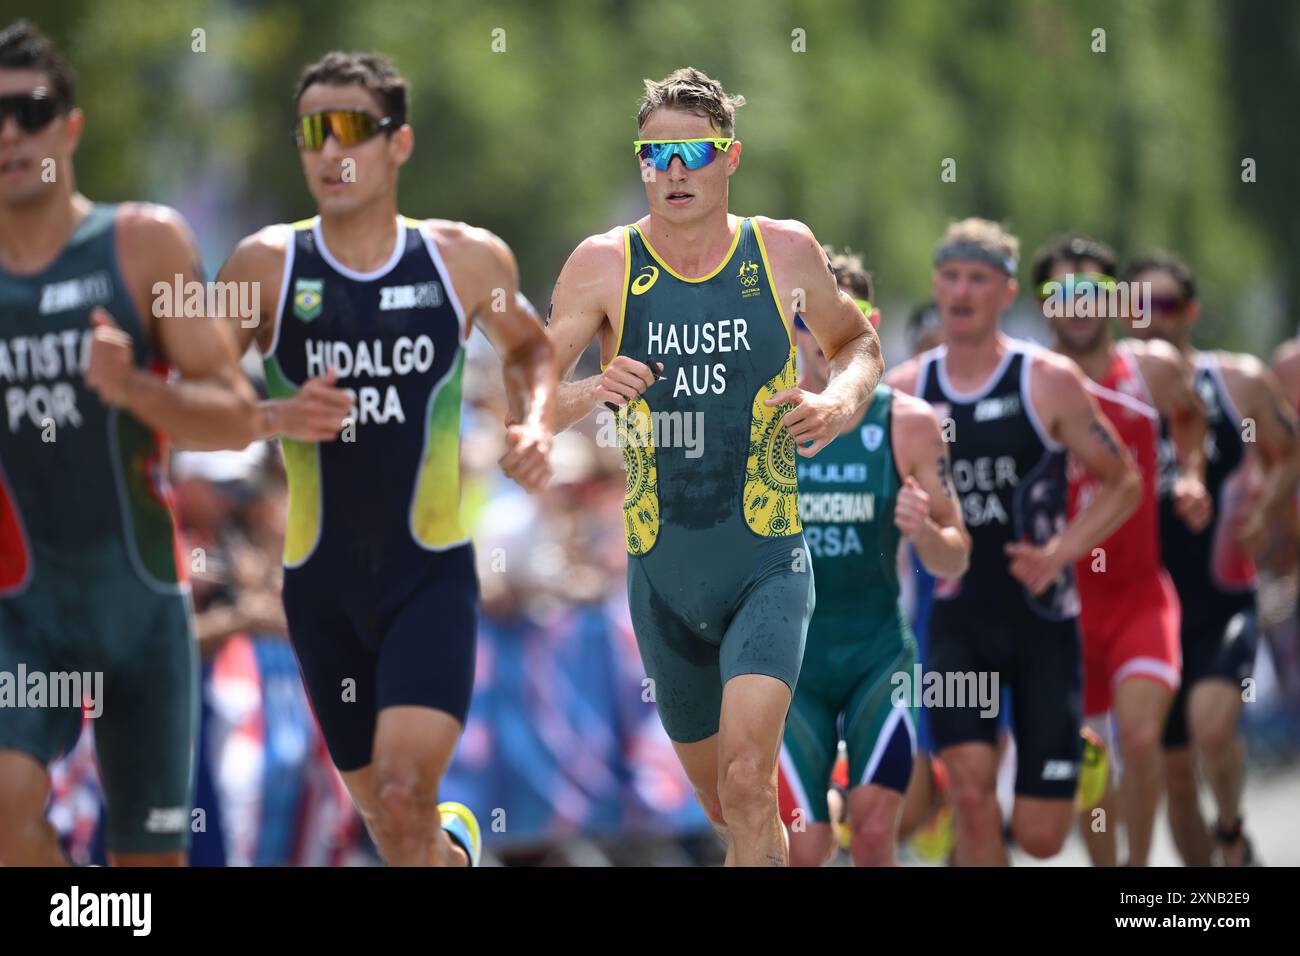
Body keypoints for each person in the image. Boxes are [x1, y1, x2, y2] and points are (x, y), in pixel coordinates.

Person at [217, 51, 556, 866]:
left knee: (407, 796)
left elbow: (532, 352)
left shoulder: (465, 258)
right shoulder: (263, 266)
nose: (330, 150)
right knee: (393, 829)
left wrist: (536, 424)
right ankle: (455, 853)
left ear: (398, 145)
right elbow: (193, 406)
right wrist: (272, 414)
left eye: (352, 129)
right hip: (319, 588)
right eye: (311, 131)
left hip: (427, 578)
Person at [544, 67, 883, 865]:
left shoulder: (784, 250)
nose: (673, 171)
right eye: (654, 155)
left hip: (766, 557)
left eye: (691, 152)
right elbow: (520, 398)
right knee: (722, 802)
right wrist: (593, 388)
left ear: (729, 158)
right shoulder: (603, 265)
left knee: (742, 778)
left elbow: (858, 344)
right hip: (661, 573)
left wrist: (838, 404)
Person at [0, 19, 270, 866]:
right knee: (6, 802)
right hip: (23, 616)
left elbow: (233, 412)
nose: (8, 132)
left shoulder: (145, 245)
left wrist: (133, 388)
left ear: (69, 128)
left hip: (140, 608)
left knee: (147, 867)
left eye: (31, 110)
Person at [885, 218, 1141, 865]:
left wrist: (1059, 552)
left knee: (1040, 838)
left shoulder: (1046, 379)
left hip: (1041, 621)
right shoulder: (908, 389)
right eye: (949, 277)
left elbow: (1123, 482)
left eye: (977, 278)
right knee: (971, 797)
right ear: (936, 286)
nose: (960, 291)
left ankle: (1078, 754)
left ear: (1004, 292)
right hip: (956, 619)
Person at [778, 249, 969, 866]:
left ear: (870, 324)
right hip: (789, 660)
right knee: (804, 849)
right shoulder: (764, 416)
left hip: (876, 655)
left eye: (845, 318)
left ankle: (914, 795)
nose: (822, 338)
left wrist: (927, 535)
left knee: (874, 830)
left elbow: (956, 557)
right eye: (807, 319)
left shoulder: (907, 423)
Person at [1034, 233, 1209, 866]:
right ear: (1043, 303)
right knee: (1091, 761)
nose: (1078, 305)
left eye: (1092, 291)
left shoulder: (1153, 369)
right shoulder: (1030, 379)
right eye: (1062, 292)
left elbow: (1191, 416)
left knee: (1139, 738)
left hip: (1139, 598)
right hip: (1064, 612)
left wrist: (1189, 474)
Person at [1125, 250, 1300, 866]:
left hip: (1220, 591)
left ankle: (1230, 824)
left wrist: (1262, 513)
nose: (1151, 319)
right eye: (1138, 305)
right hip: (1145, 604)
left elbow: (1289, 451)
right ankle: (1204, 905)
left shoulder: (1239, 381)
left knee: (1213, 728)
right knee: (1173, 772)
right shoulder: (1108, 388)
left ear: (1191, 312)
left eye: (1165, 305)